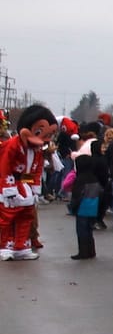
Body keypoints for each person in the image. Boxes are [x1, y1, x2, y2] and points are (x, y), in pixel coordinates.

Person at [0, 105, 58, 260]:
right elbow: (4, 167)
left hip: (24, 186)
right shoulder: (12, 145)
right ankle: (5, 246)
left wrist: (33, 189)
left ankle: (21, 246)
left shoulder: (37, 151)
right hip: (9, 186)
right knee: (7, 217)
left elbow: (35, 171)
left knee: (26, 217)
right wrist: (9, 188)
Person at [68, 135, 110, 260]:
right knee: (89, 230)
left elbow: (76, 197)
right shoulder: (94, 179)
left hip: (82, 209)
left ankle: (83, 252)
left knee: (81, 231)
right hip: (93, 207)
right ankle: (91, 250)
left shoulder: (80, 180)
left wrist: (73, 208)